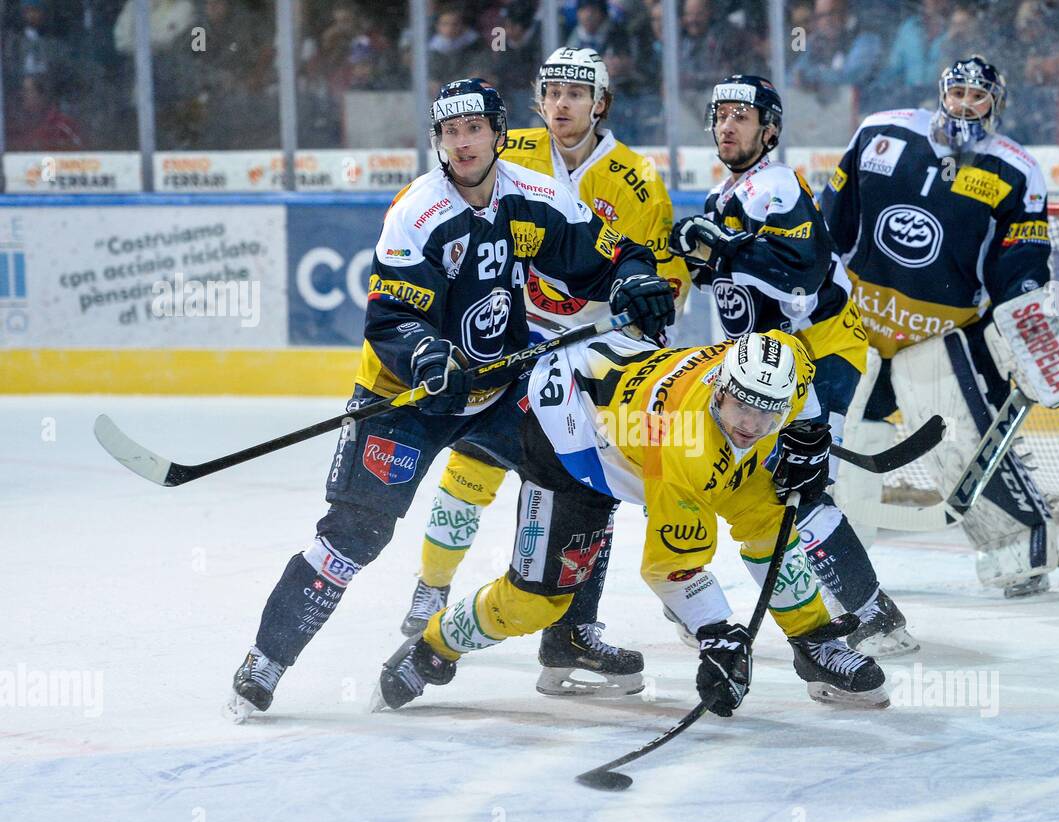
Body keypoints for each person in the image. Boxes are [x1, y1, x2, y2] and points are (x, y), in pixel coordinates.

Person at [226, 78, 675, 722]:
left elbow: (600, 254)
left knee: (585, 479)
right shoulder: (417, 211)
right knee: (355, 533)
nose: (461, 143)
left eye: (473, 129)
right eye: (448, 132)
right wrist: (430, 355)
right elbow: (390, 318)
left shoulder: (533, 194)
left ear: (499, 133)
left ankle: (566, 635)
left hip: (493, 392)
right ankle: (265, 661)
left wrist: (634, 279)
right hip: (406, 399)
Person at [374, 328, 889, 713]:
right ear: (719, 390)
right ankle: (432, 648)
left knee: (771, 522)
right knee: (535, 600)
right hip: (571, 433)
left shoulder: (771, 373)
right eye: (740, 408)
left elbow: (797, 356)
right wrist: (717, 634)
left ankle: (815, 641)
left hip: (620, 386)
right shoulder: (684, 444)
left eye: (767, 414)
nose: (750, 426)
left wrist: (808, 430)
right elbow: (671, 569)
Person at [399, 49, 691, 693]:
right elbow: (443, 218)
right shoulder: (509, 148)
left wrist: (643, 302)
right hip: (502, 336)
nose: (561, 104)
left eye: (575, 93)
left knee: (591, 479)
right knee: (471, 468)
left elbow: (661, 274)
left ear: (600, 103)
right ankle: (430, 593)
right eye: (551, 91)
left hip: (585, 355)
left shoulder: (636, 180)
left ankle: (570, 630)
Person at [666, 75, 915, 657]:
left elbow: (799, 274)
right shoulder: (724, 196)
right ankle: (695, 601)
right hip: (767, 365)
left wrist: (722, 247)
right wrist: (698, 256)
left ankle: (874, 613)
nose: (727, 125)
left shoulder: (774, 186)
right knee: (720, 474)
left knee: (802, 486)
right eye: (721, 114)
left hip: (821, 349)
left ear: (769, 130)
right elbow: (731, 282)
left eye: (741, 116)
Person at [819, 56, 1057, 599]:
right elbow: (834, 224)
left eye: (979, 97)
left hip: (942, 331)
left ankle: (1020, 553)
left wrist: (1027, 324)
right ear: (941, 94)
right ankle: (834, 550)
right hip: (859, 325)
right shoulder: (880, 133)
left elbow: (1020, 265)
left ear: (996, 105)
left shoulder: (1015, 169)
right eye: (959, 94)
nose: (967, 105)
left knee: (967, 440)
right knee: (842, 443)